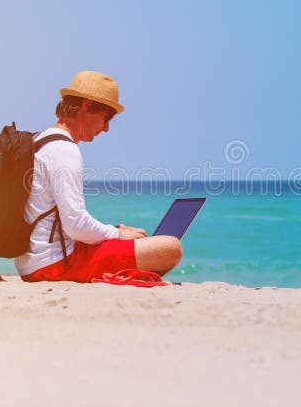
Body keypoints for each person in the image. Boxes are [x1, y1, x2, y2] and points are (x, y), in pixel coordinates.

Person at [17, 70, 183, 283]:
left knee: (132, 238)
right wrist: (118, 235)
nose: (106, 128)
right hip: (55, 265)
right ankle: (125, 276)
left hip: (35, 262)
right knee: (171, 247)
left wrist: (113, 231)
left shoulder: (40, 140)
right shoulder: (64, 150)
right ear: (86, 106)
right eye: (106, 118)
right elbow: (75, 225)